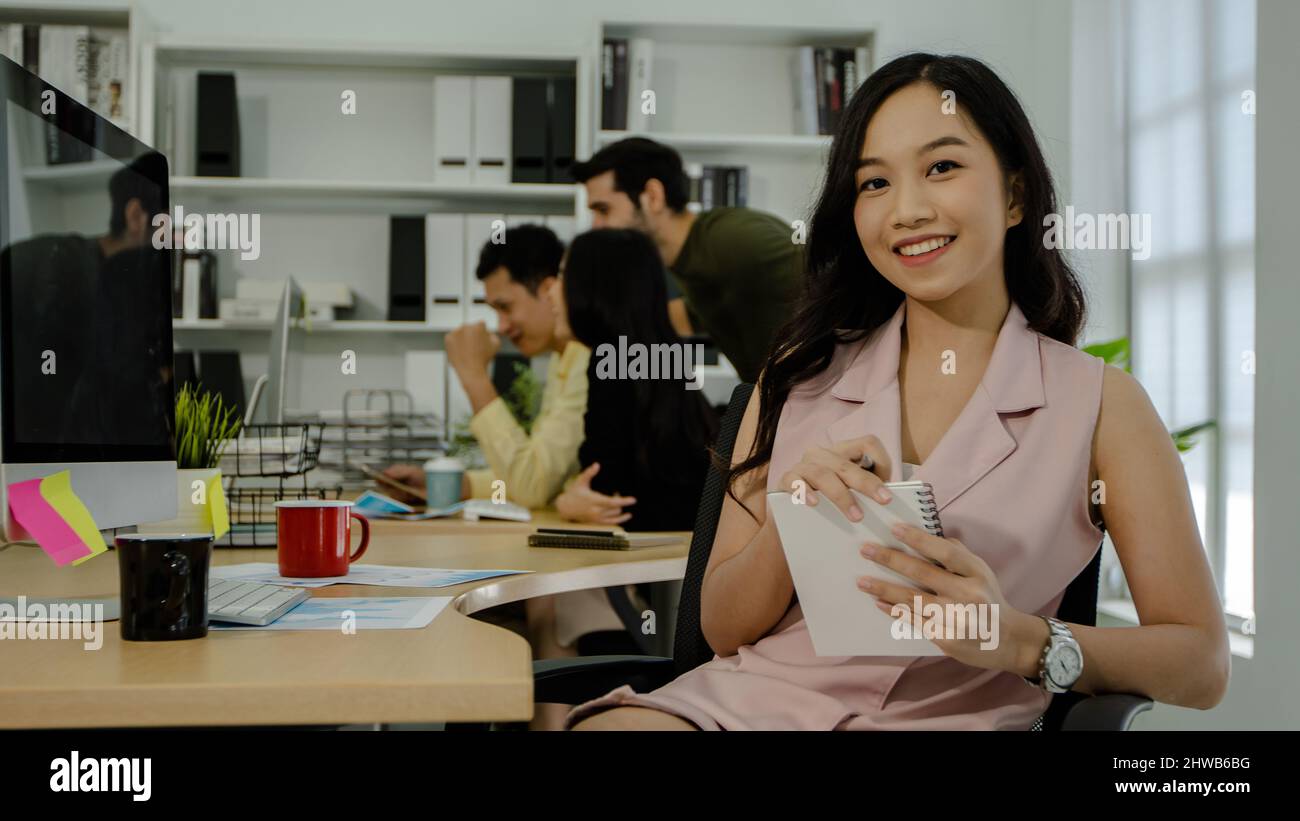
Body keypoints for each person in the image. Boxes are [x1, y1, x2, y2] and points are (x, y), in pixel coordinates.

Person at [568, 54, 1229, 730]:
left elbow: (1201, 661)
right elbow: (720, 628)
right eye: (874, 181)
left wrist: (1018, 640)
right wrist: (787, 526)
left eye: (942, 167)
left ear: (1015, 195)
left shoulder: (1102, 405)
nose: (907, 210)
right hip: (741, 709)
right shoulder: (796, 375)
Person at [383, 224, 591, 510]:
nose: (502, 327)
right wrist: (458, 485)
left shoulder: (587, 358)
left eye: (505, 307)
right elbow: (539, 473)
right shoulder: (561, 358)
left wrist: (474, 376)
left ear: (548, 289)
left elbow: (533, 485)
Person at [571, 138, 802, 384]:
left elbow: (830, 292)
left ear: (653, 196)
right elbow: (688, 316)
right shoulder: (690, 262)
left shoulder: (734, 241)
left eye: (604, 210)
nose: (596, 226)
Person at [552, 228, 719, 532]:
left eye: (564, 276)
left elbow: (604, 494)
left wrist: (568, 503)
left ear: (594, 287)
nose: (553, 291)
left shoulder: (613, 360)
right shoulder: (662, 354)